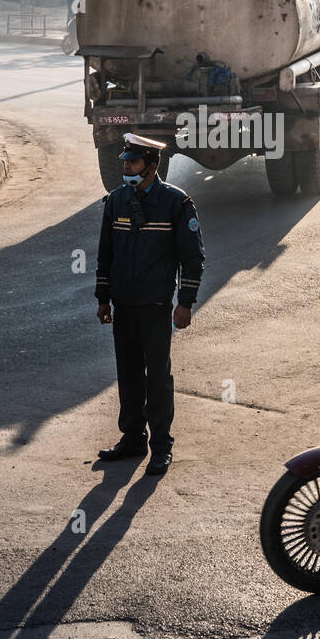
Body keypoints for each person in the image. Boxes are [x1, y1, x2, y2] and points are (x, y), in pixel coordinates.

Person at [95, 134, 205, 476]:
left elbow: (193, 258)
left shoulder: (177, 203)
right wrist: (103, 299)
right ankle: (131, 438)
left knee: (157, 376)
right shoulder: (116, 201)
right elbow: (105, 253)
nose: (125, 165)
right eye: (125, 161)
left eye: (133, 161)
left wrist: (184, 302)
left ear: (152, 166)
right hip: (124, 304)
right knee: (128, 373)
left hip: (156, 305)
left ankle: (161, 445)